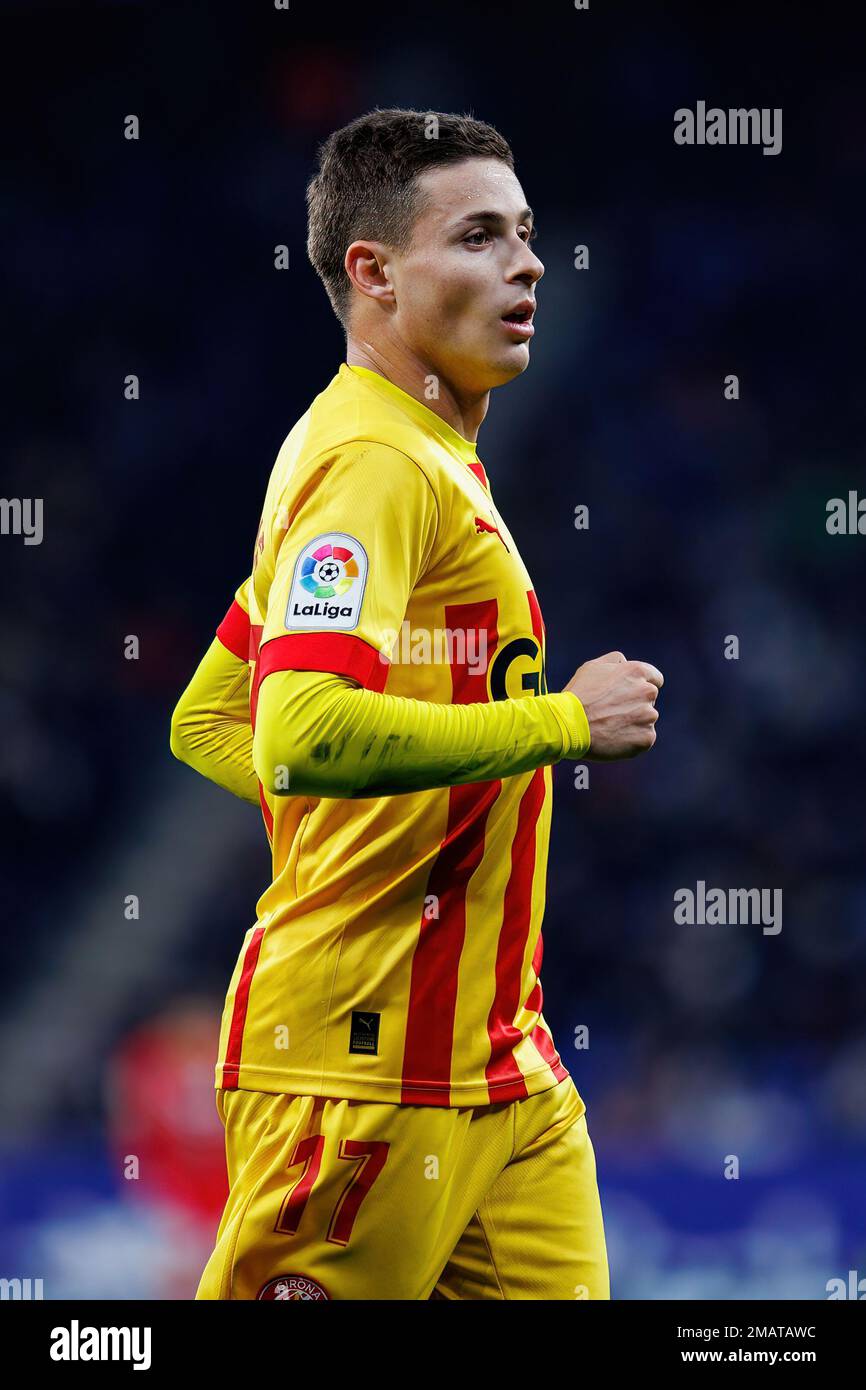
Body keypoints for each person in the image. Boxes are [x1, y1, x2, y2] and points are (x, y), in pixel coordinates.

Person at [171, 107, 663, 1300]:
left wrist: (368, 822)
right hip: (363, 1064)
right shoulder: (372, 466)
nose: (528, 262)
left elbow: (209, 717)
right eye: (481, 237)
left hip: (499, 1062)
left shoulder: (418, 453)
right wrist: (559, 721)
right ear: (374, 273)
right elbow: (297, 732)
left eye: (528, 235)